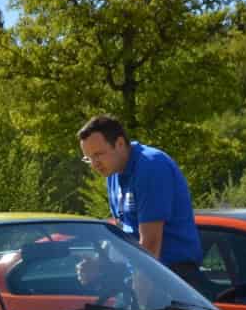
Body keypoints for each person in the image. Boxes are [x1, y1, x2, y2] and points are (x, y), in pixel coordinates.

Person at [77, 115, 203, 286]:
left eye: (98, 154)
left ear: (120, 144)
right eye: (89, 158)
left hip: (173, 278)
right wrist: (99, 263)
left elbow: (151, 244)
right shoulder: (112, 174)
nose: (94, 164)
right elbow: (126, 233)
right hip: (141, 270)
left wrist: (142, 300)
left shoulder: (150, 165)